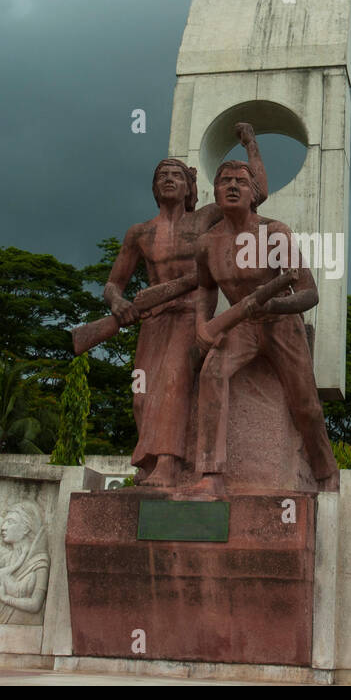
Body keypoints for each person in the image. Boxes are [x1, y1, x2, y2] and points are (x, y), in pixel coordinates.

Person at [103, 124, 267, 488]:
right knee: (142, 395)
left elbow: (258, 193)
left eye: (177, 175)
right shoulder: (139, 232)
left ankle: (168, 463)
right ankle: (147, 463)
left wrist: (251, 146)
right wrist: (119, 303)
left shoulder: (205, 218)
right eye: (162, 175)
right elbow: (114, 283)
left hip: (193, 316)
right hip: (153, 321)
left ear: (190, 186)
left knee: (174, 382)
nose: (169, 180)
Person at [189, 159, 338, 496]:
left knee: (306, 404)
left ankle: (326, 471)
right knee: (211, 373)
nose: (231, 186)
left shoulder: (274, 232)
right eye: (225, 180)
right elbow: (205, 288)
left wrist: (272, 304)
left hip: (281, 323)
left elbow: (309, 293)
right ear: (214, 191)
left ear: (253, 194)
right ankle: (211, 475)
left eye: (240, 182)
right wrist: (202, 323)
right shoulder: (207, 243)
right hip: (241, 326)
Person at [0, 500, 50, 624]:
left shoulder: (39, 561)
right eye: (4, 522)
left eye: (10, 522)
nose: (3, 527)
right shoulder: (5, 558)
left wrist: (5, 598)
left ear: (26, 529)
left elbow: (36, 604)